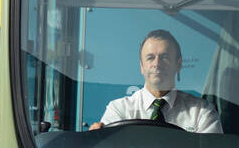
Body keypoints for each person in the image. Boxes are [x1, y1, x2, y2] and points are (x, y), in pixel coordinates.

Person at [90, 29, 222, 133]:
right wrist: (95, 141)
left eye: (164, 57)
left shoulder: (201, 113)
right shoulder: (119, 110)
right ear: (142, 66)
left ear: (178, 64)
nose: (157, 64)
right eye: (150, 58)